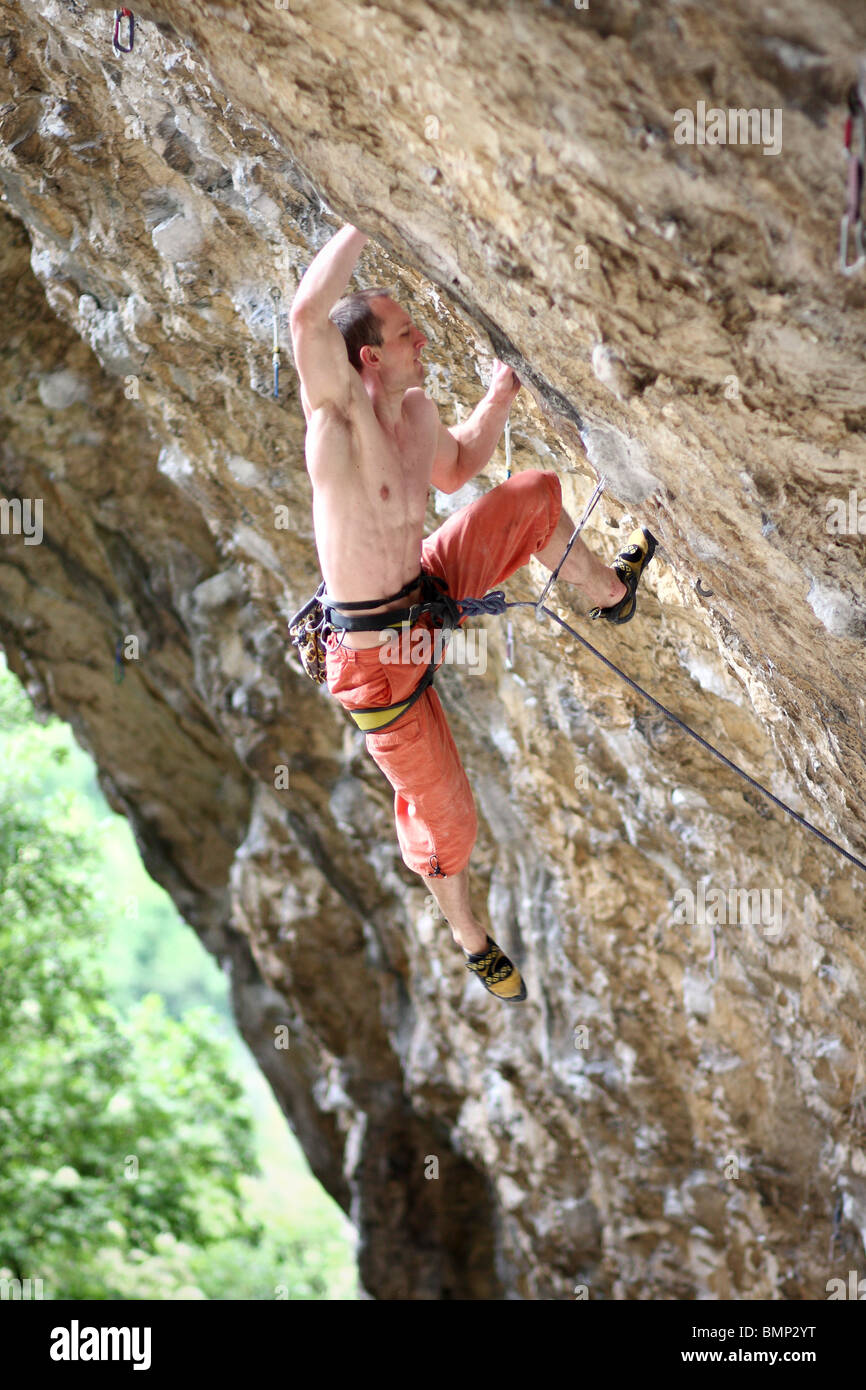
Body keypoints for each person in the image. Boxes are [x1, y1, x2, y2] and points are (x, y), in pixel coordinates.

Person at [289, 224, 656, 1002]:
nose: (423, 337)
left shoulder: (416, 415)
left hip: (421, 591)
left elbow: (460, 466)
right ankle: (469, 934)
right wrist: (360, 217)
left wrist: (499, 396)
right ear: (368, 361)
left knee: (532, 497)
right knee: (450, 819)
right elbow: (305, 318)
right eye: (405, 331)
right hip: (375, 661)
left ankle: (608, 594)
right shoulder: (337, 423)